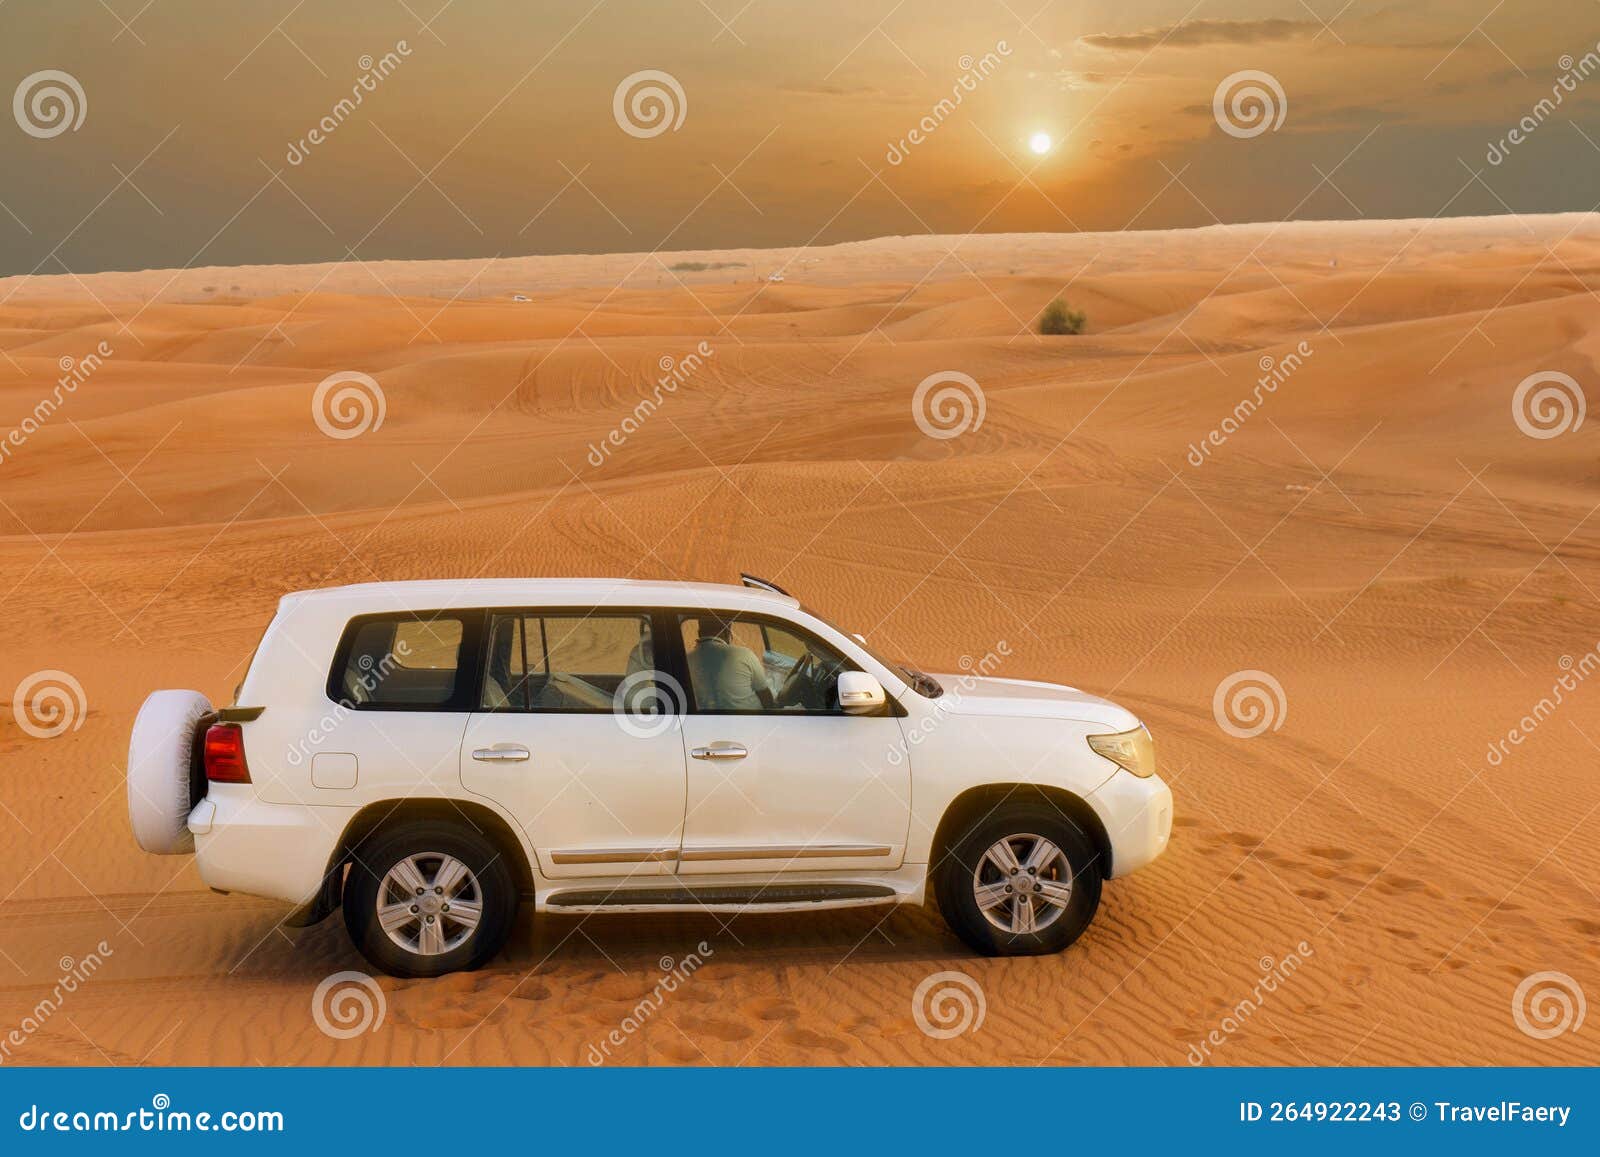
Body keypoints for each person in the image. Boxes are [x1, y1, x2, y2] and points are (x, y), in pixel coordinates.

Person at [686, 616, 774, 710]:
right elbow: (767, 698)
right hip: (749, 722)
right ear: (727, 632)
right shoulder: (744, 654)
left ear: (699, 633)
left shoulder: (686, 660)